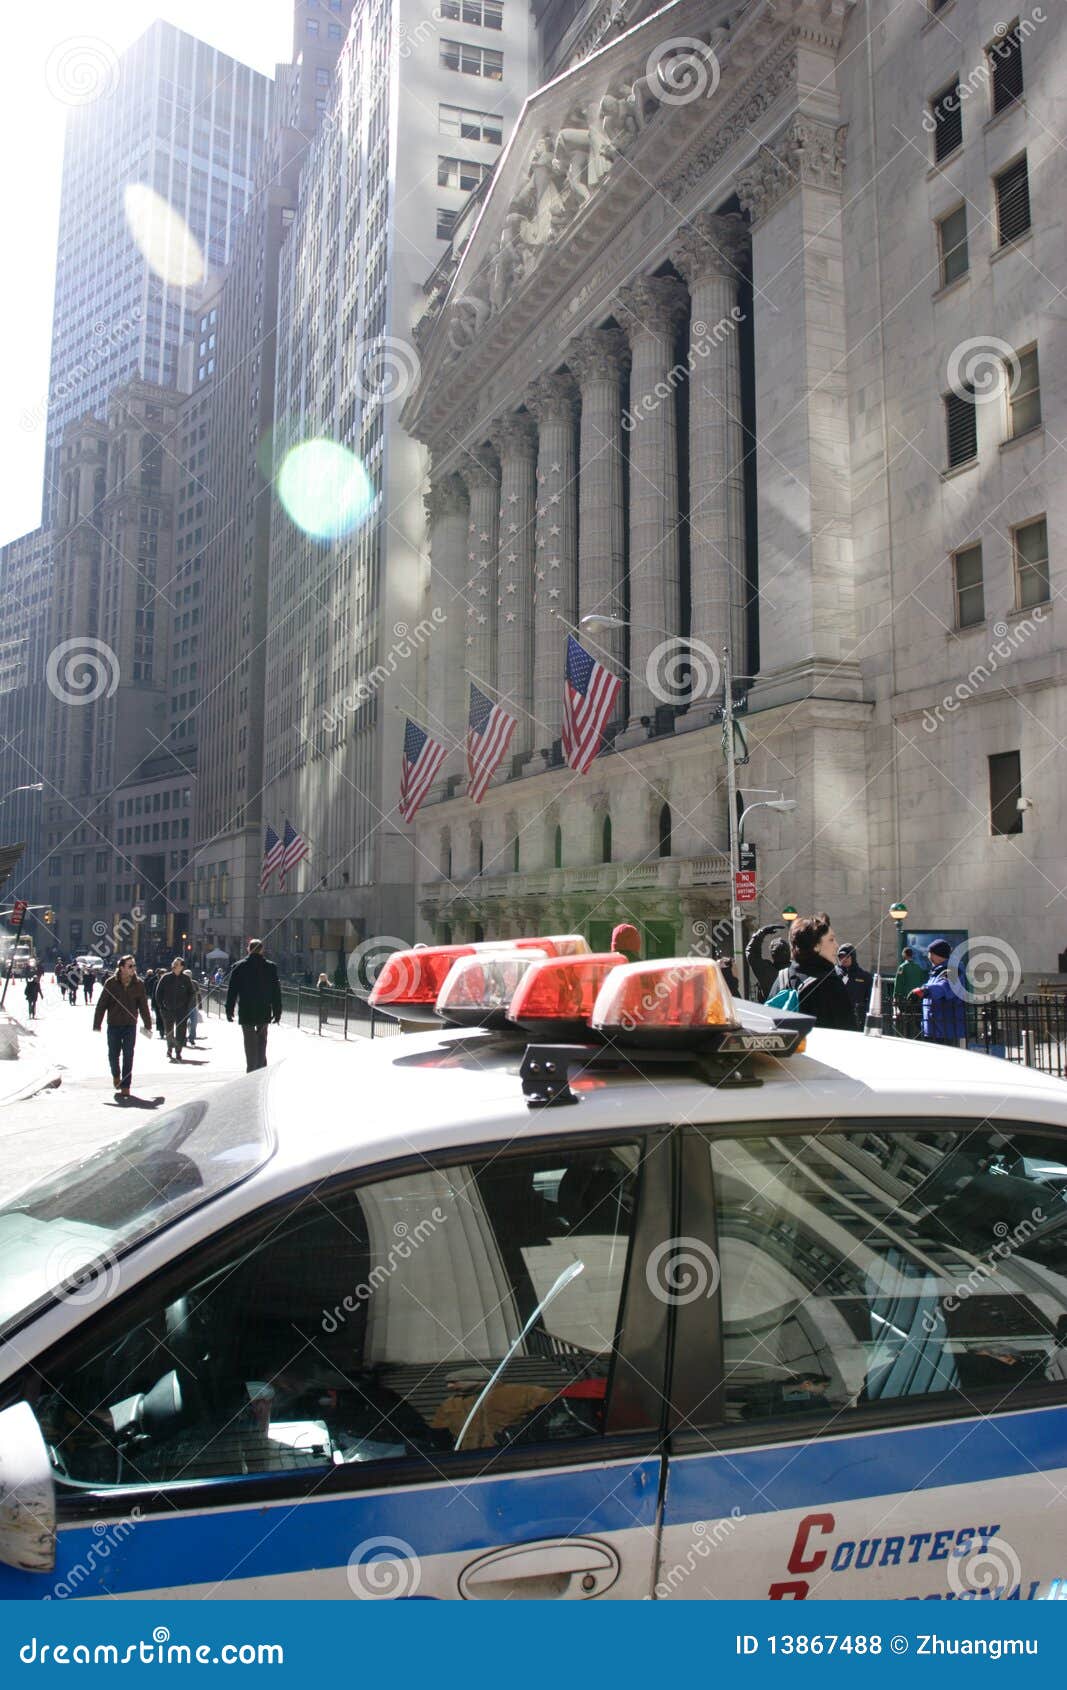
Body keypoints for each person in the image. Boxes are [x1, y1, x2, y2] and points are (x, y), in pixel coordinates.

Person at [92, 954, 153, 1102]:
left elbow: (143, 1006)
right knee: (113, 1054)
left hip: (130, 1025)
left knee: (128, 1055)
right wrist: (97, 1024)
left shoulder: (138, 984)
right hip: (113, 1024)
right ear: (121, 968)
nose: (133, 968)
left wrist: (147, 1024)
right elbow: (102, 1004)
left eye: (134, 966)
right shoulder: (111, 983)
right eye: (130, 966)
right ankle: (116, 1075)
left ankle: (126, 1086)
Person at [781, 913, 856, 1031]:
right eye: (831, 940)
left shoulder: (782, 977)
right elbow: (849, 1032)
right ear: (816, 946)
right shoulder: (831, 984)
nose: (836, 946)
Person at [226, 938, 282, 1073]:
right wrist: (277, 1011)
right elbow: (276, 991)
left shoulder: (239, 966)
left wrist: (229, 1009)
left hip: (246, 1009)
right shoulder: (271, 967)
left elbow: (232, 990)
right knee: (262, 1040)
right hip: (264, 1008)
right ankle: (260, 1067)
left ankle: (252, 1068)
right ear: (262, 950)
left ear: (248, 949)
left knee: (249, 1041)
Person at [911, 938, 967, 1047]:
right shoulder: (938, 971)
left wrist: (924, 991)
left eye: (930, 953)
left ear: (935, 955)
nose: (928, 956)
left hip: (945, 1030)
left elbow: (944, 987)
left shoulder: (953, 970)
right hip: (935, 1029)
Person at [154, 956, 198, 1061]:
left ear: (181, 967)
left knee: (181, 1031)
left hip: (182, 1010)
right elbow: (158, 993)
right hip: (167, 1009)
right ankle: (169, 1048)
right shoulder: (165, 977)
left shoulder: (186, 979)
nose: (174, 965)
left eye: (177, 964)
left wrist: (187, 1006)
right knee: (169, 1031)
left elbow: (191, 993)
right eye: (174, 963)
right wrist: (161, 1007)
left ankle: (178, 1051)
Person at [745, 924, 788, 1002]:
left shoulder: (766, 971)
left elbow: (751, 953)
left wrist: (761, 932)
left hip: (770, 1009)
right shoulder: (798, 970)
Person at [836, 943, 873, 1031]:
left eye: (846, 956)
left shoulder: (864, 976)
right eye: (840, 957)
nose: (843, 959)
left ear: (853, 957)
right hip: (837, 1017)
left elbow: (869, 999)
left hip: (857, 1019)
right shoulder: (834, 974)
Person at [893, 945, 927, 1037]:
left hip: (906, 999)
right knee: (916, 1020)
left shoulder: (902, 967)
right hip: (917, 999)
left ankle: (907, 1037)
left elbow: (898, 984)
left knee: (906, 1022)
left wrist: (895, 997)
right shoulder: (918, 967)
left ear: (904, 955)